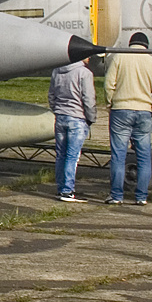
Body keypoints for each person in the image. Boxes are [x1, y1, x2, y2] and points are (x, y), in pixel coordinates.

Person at [104, 31, 152, 205]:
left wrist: (110, 103)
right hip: (143, 110)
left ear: (130, 44)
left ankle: (116, 195)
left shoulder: (119, 58)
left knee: (118, 155)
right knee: (144, 155)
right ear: (146, 46)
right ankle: (141, 196)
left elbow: (109, 84)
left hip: (121, 109)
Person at [49, 57, 96, 202]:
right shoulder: (84, 73)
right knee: (72, 156)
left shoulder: (57, 71)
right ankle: (67, 190)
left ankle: (61, 187)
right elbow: (88, 98)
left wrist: (56, 109)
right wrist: (91, 117)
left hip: (61, 116)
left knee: (61, 155)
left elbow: (51, 95)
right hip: (77, 117)